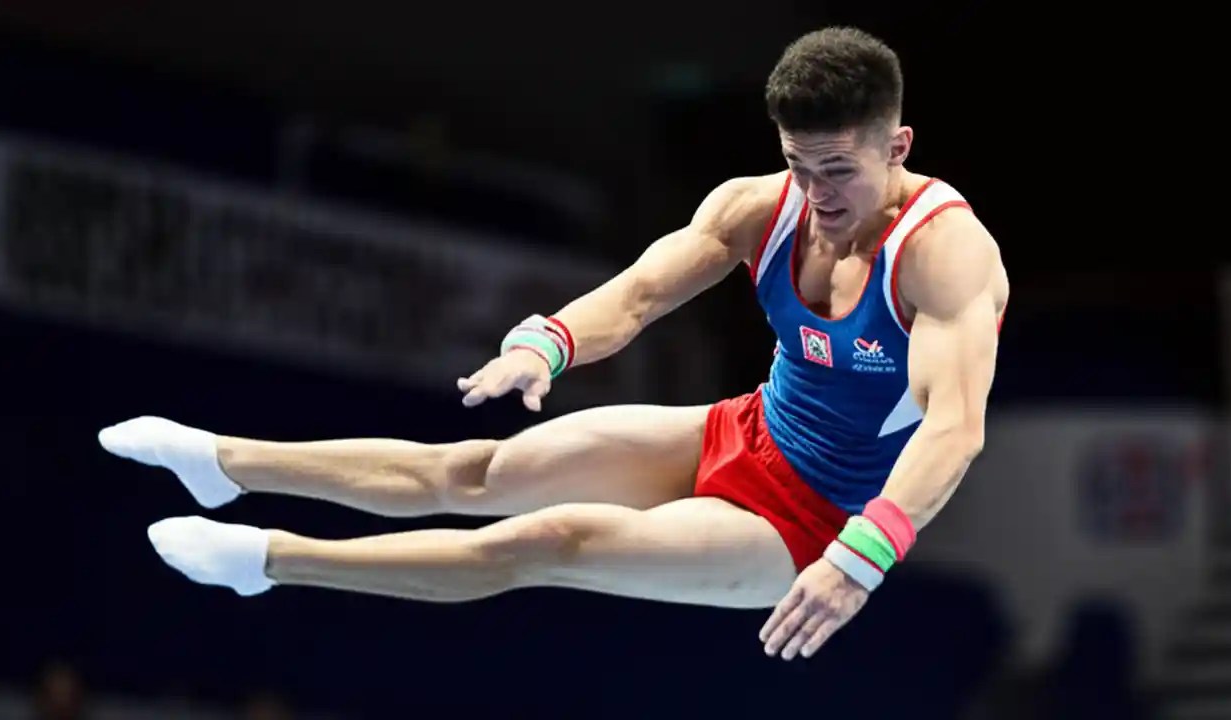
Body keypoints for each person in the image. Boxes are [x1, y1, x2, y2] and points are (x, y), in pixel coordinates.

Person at [98, 26, 1008, 662]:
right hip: (745, 433)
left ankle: (271, 561)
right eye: (798, 164)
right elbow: (643, 292)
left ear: (899, 146)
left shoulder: (943, 257)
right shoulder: (757, 207)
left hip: (808, 526)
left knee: (545, 541)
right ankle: (226, 463)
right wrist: (550, 342)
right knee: (477, 473)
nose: (815, 193)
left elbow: (954, 430)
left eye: (839, 169)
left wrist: (863, 558)